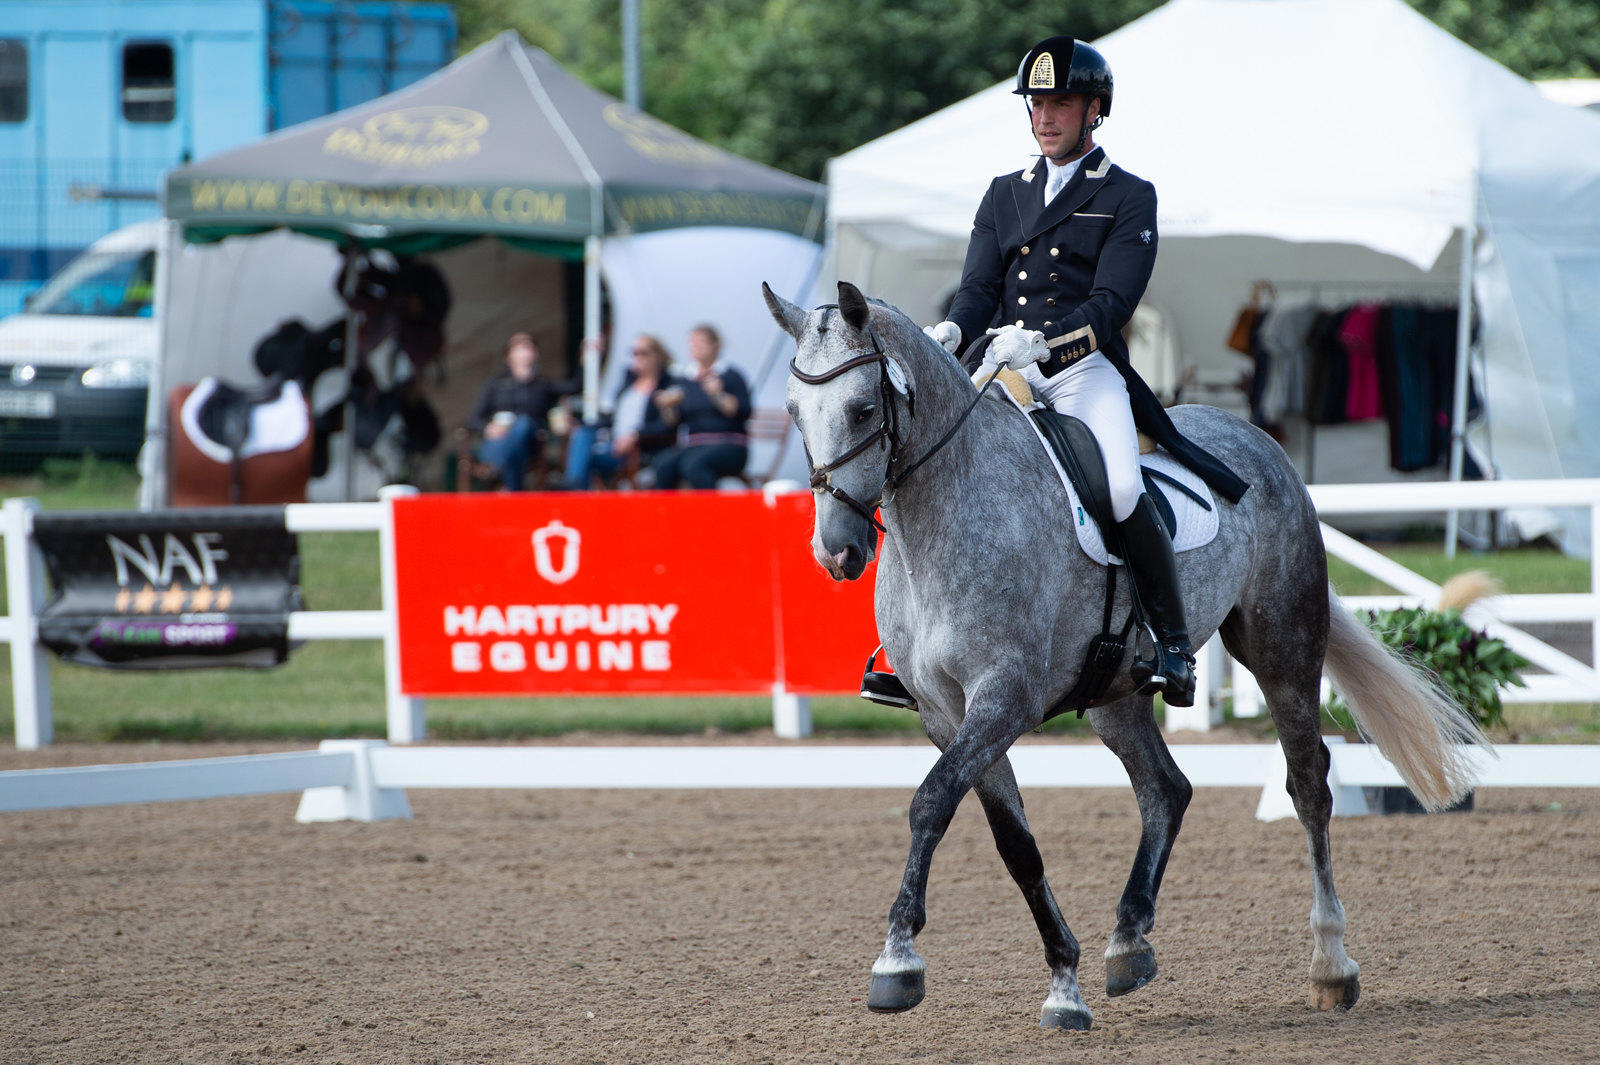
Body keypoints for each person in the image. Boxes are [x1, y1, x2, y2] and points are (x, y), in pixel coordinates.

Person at [923, 36, 1248, 707]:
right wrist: (955, 328)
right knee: (938, 468)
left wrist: (1041, 344)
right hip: (999, 367)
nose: (1045, 116)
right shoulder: (1003, 193)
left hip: (1081, 370)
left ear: (1094, 109)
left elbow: (1111, 304)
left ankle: (1172, 641)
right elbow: (980, 286)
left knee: (1125, 488)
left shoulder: (1129, 195)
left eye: (1061, 103)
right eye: (1036, 104)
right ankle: (915, 643)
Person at [563, 334, 677, 488]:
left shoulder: (666, 387)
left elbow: (666, 426)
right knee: (582, 434)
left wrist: (635, 436)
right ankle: (575, 490)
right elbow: (611, 418)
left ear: (657, 355)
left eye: (642, 353)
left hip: (640, 449)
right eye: (634, 353)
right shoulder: (628, 384)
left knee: (585, 457)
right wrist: (581, 423)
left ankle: (574, 493)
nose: (637, 357)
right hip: (613, 443)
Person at [466, 333, 576, 490]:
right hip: (498, 441)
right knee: (512, 452)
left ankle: (498, 469)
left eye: (528, 345)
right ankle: (508, 480)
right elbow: (474, 419)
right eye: (519, 346)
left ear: (535, 353)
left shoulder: (543, 385)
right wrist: (488, 428)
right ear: (508, 356)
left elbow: (575, 387)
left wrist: (586, 360)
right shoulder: (496, 384)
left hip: (531, 443)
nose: (525, 350)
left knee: (523, 424)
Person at [650, 324, 752, 489]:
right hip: (694, 444)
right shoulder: (685, 380)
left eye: (700, 342)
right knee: (662, 464)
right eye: (692, 343)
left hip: (729, 444)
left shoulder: (731, 375)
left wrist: (718, 394)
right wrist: (666, 406)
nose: (695, 347)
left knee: (694, 465)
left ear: (715, 346)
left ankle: (709, 513)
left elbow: (742, 412)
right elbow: (672, 423)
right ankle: (668, 513)